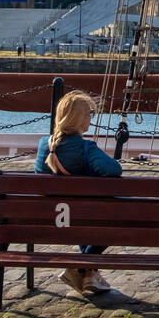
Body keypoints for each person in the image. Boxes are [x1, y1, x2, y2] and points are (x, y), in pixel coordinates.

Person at [35, 91, 122, 296]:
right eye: (88, 114)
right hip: (86, 217)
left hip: (56, 218)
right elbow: (113, 170)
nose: (90, 118)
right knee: (119, 218)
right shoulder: (86, 148)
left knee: (80, 213)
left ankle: (89, 273)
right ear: (79, 119)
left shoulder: (43, 145)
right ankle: (81, 266)